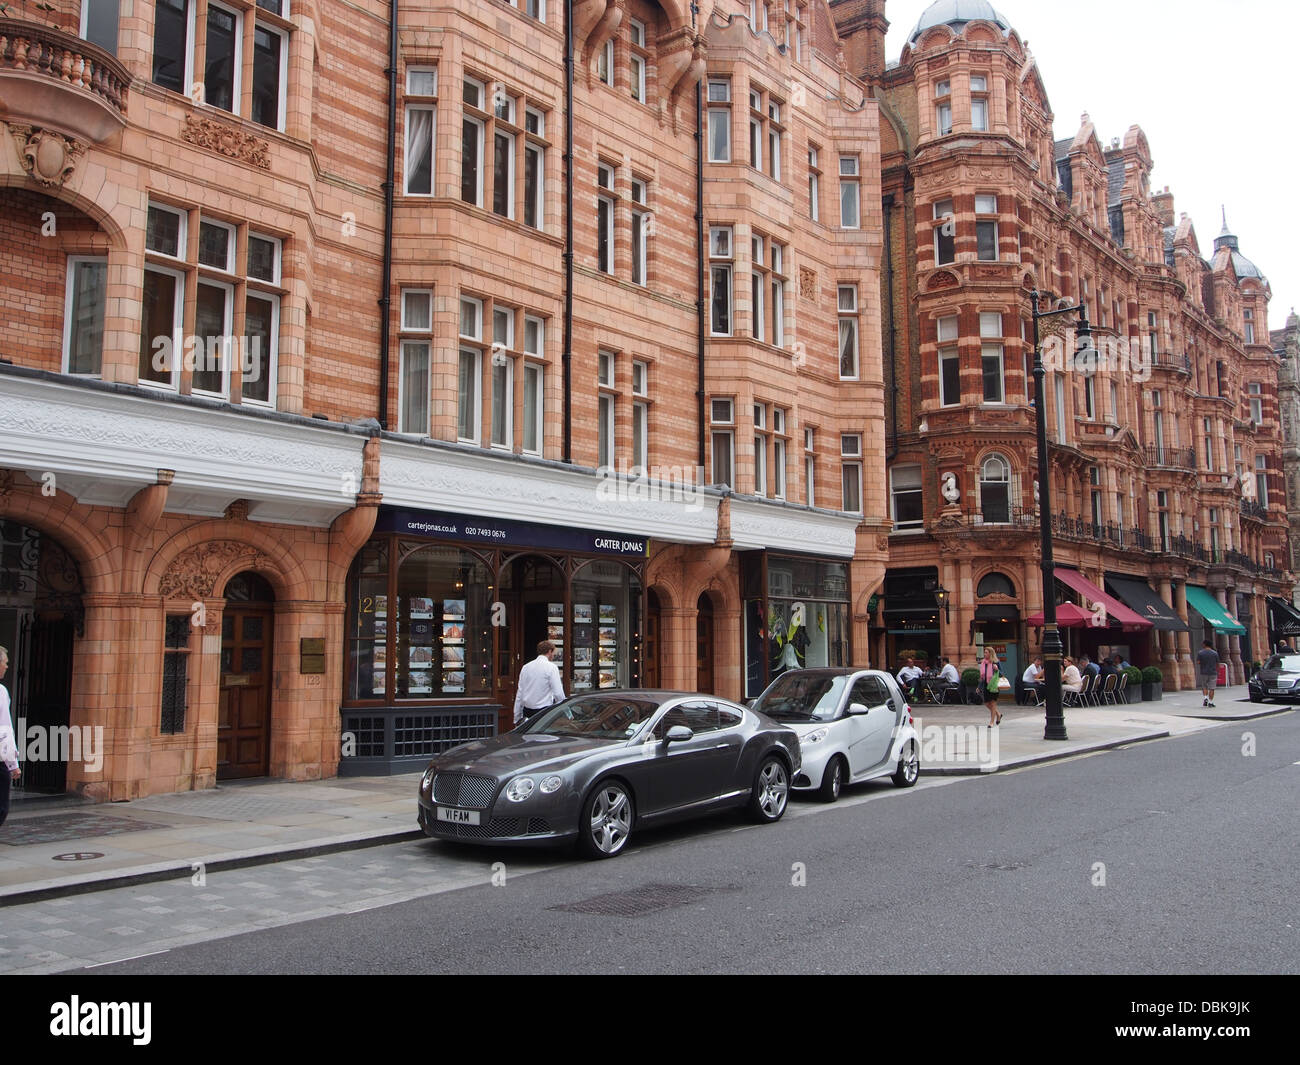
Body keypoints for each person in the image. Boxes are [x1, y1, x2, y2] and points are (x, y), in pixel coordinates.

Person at [513, 640, 566, 725]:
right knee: (543, 737)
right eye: (553, 653)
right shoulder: (551, 668)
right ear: (549, 651)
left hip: (527, 711)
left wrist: (517, 718)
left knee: (528, 737)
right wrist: (567, 713)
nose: (554, 655)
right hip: (544, 712)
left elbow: (520, 693)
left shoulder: (526, 667)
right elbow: (558, 693)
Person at [0, 646, 19, 829]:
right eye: (5, 663)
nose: (6, 666)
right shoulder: (1, 692)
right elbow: (5, 728)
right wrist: (13, 764)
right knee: (2, 807)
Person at [978, 647, 1002, 727]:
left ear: (990, 653)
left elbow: (1001, 674)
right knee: (986, 703)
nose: (985, 654)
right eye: (984, 652)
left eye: (986, 652)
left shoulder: (996, 662)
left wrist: (997, 669)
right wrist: (979, 686)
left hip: (994, 685)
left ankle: (991, 722)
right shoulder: (983, 663)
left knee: (993, 703)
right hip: (986, 685)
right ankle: (998, 714)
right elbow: (982, 677)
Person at [1197, 639, 1221, 708]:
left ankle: (1205, 698)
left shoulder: (1200, 653)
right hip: (1213, 672)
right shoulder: (1215, 653)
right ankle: (1210, 702)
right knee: (1212, 688)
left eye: (1203, 644)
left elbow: (1198, 662)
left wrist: (1203, 663)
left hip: (1204, 672)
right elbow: (1217, 663)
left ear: (1204, 644)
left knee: (1204, 686)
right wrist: (1218, 671)